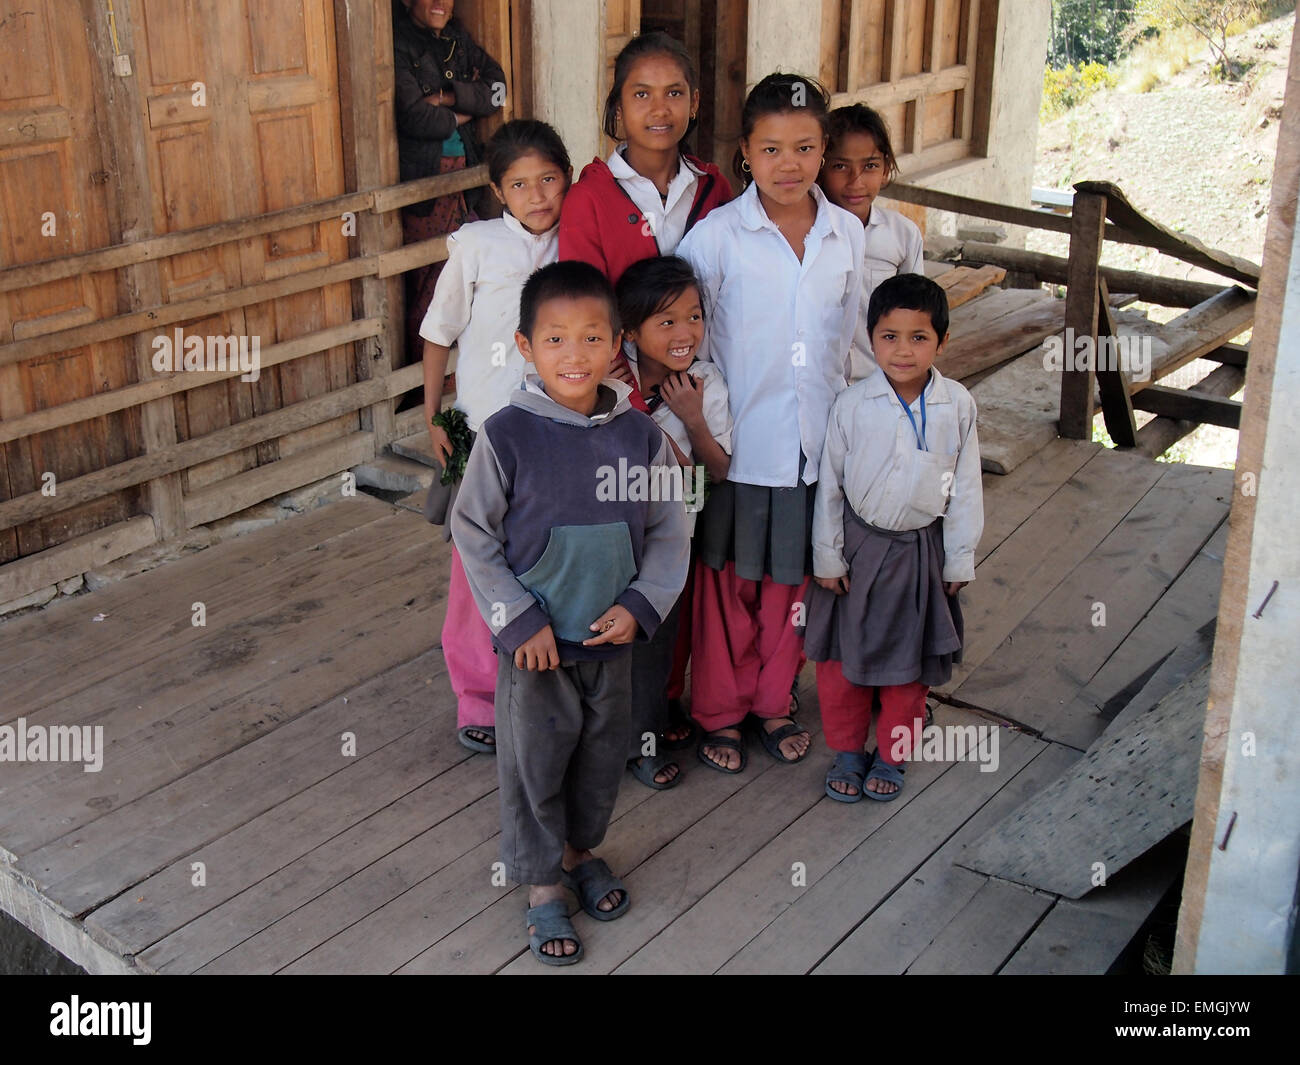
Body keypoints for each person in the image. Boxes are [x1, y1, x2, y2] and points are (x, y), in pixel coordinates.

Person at [449, 261, 689, 965]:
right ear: (525, 346)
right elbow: (473, 533)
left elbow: (671, 529)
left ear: (617, 344)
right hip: (537, 649)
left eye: (591, 338)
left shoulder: (640, 436)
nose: (574, 355)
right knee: (534, 764)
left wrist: (641, 605)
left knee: (599, 758)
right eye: (555, 340)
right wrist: (518, 620)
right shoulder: (507, 435)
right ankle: (542, 883)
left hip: (610, 639)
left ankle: (581, 850)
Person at [678, 74, 864, 774]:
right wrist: (706, 429)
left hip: (812, 450)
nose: (790, 164)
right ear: (746, 156)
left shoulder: (844, 235)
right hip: (739, 446)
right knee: (728, 586)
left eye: (806, 147)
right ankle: (720, 712)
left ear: (823, 151)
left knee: (793, 587)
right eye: (772, 148)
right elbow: (689, 341)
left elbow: (843, 344)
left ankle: (774, 701)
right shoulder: (718, 236)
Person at [420, 120, 572, 754]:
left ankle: (538, 683)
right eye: (519, 184)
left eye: (548, 180)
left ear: (567, 179)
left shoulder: (579, 242)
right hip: (484, 430)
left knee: (540, 555)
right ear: (496, 190)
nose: (537, 195)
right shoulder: (476, 246)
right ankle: (477, 697)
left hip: (556, 433)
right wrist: (434, 415)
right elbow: (439, 331)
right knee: (473, 564)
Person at [803, 273, 983, 801]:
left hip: (921, 553)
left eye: (919, 337)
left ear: (942, 342)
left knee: (910, 667)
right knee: (843, 663)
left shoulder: (958, 405)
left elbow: (966, 488)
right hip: (856, 551)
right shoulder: (853, 404)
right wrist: (827, 556)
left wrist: (958, 559)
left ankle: (891, 755)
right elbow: (830, 486)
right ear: (871, 337)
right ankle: (847, 751)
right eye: (889, 336)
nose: (903, 350)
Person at [614, 256, 732, 789]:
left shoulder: (705, 383)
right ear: (630, 332)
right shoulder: (608, 378)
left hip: (668, 541)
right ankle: (593, 740)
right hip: (610, 537)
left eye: (693, 317)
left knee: (654, 644)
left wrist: (690, 420)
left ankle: (643, 743)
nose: (685, 333)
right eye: (666, 322)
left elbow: (715, 475)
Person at [558, 31, 732, 287]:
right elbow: (584, 309)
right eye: (642, 94)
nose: (659, 109)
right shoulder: (589, 200)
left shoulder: (713, 188)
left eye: (674, 93)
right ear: (619, 106)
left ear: (694, 102)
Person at [393, 0, 506, 363]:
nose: (441, 3)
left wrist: (447, 97)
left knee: (460, 272)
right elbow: (413, 117)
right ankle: (428, 378)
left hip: (464, 175)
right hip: (427, 178)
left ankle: (457, 374)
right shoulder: (398, 42)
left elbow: (498, 91)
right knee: (432, 279)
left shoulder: (458, 39)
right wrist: (464, 114)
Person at [818, 103, 924, 382]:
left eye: (870, 166)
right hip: (818, 386)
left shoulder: (903, 235)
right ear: (820, 167)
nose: (856, 181)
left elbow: (916, 317)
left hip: (877, 383)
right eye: (840, 166)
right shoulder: (807, 233)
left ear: (886, 168)